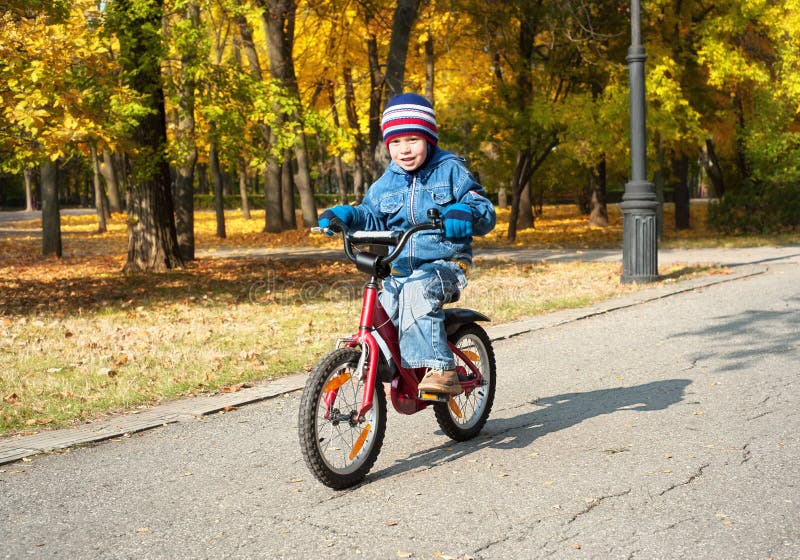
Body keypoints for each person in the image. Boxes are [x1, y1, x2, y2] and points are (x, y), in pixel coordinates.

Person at [318, 93, 496, 395]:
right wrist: (348, 215)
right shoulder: (387, 181)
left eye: (413, 139)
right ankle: (385, 363)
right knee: (382, 306)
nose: (404, 149)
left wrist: (463, 211)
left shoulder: (450, 169)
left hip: (444, 264)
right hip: (399, 267)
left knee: (417, 292)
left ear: (429, 137)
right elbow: (371, 214)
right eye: (396, 142)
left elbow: (482, 208)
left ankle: (441, 368)